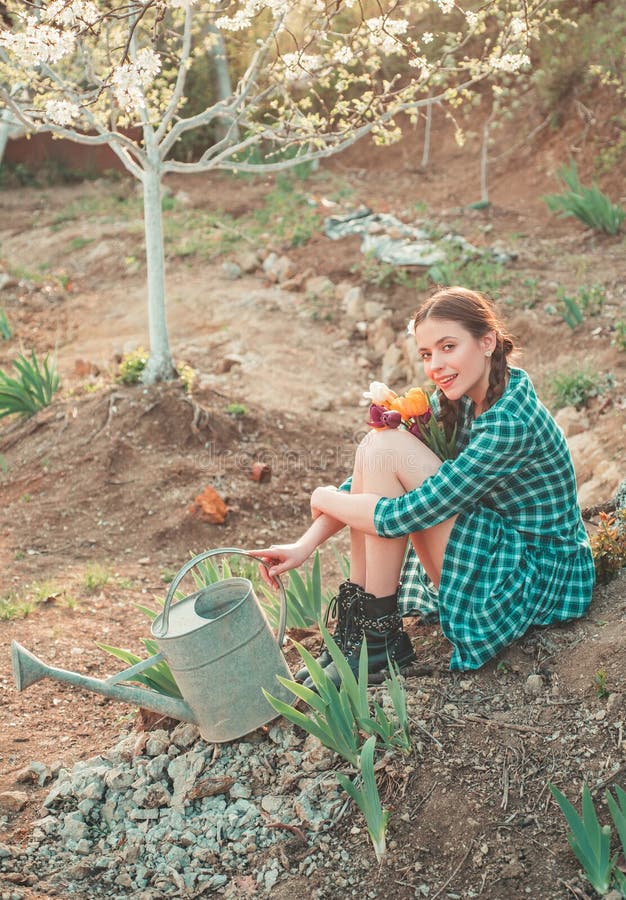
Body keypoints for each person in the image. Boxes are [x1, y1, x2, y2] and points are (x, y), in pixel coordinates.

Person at [252, 286, 595, 684]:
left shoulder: (511, 421)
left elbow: (404, 514)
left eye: (448, 347)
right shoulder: (459, 398)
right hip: (501, 550)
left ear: (487, 342)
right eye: (428, 354)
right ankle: (367, 633)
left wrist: (321, 496)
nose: (436, 364)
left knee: (386, 446)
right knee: (376, 444)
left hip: (541, 578)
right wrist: (304, 544)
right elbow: (372, 482)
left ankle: (377, 639)